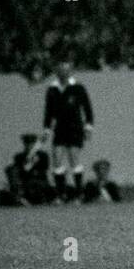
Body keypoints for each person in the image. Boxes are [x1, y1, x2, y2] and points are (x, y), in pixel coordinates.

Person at [42, 61, 94, 203]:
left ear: (71, 71)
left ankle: (79, 194)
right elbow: (48, 112)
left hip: (75, 127)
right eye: (60, 69)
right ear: (56, 71)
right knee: (57, 160)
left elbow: (87, 109)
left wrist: (88, 126)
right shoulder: (52, 89)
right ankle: (61, 194)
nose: (63, 72)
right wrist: (46, 129)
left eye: (66, 69)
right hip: (60, 128)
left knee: (73, 158)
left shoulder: (78, 88)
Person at [5, 133, 49, 205]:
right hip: (24, 181)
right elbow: (18, 170)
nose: (29, 146)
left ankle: (24, 197)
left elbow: (44, 170)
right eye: (27, 143)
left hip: (38, 181)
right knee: (11, 170)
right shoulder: (19, 157)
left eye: (31, 144)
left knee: (35, 184)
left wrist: (34, 164)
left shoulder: (43, 155)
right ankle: (19, 196)